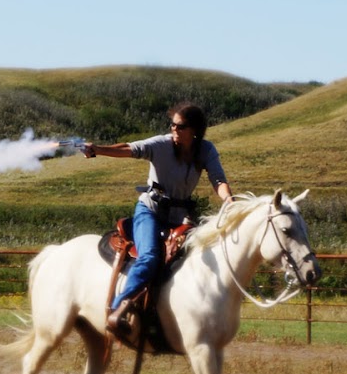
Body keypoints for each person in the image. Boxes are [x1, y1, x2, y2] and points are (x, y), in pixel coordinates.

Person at [81, 102, 234, 330]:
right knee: (150, 256)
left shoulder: (206, 150)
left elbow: (218, 180)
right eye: (172, 125)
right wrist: (98, 149)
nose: (174, 130)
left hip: (181, 218)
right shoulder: (160, 145)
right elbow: (130, 149)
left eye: (180, 126)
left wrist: (229, 200)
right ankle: (117, 310)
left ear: (195, 130)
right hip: (149, 212)